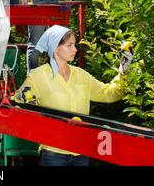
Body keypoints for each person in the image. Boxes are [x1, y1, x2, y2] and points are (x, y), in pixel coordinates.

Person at [13, 25, 134, 166]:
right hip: (53, 153)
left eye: (74, 45)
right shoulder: (38, 77)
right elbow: (17, 103)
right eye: (69, 45)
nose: (75, 50)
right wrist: (39, 120)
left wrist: (124, 69)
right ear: (54, 47)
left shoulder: (81, 75)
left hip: (81, 151)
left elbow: (109, 93)